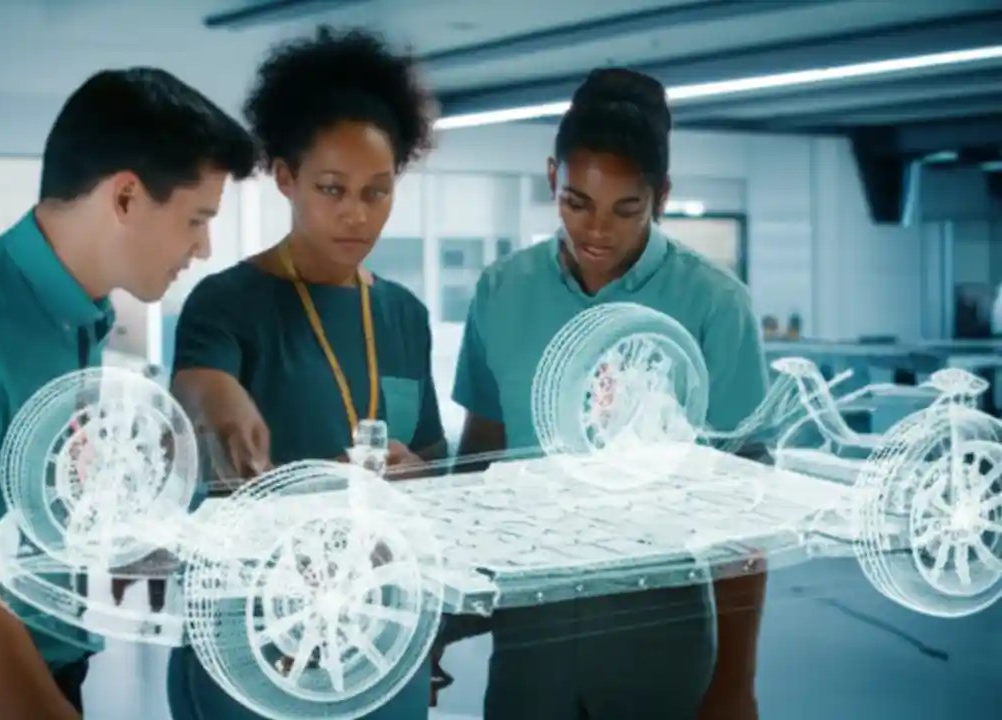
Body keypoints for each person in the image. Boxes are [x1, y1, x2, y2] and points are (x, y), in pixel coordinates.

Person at [0, 68, 255, 720]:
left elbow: (63, 518)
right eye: (196, 220)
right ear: (125, 198)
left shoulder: (79, 323)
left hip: (46, 679)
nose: (203, 248)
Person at [450, 68, 769, 719]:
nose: (596, 231)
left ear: (662, 195)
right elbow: (479, 462)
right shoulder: (502, 291)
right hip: (529, 622)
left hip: (659, 625)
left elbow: (746, 518)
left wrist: (735, 684)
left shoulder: (713, 304)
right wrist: (443, 620)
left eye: (626, 209)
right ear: (550, 179)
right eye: (575, 203)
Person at [167, 27, 445, 720]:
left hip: (379, 637)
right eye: (332, 188)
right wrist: (213, 401)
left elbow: (440, 470)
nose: (357, 213)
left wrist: (421, 478)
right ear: (285, 178)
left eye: (377, 192)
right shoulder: (229, 303)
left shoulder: (404, 315)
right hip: (257, 642)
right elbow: (200, 397)